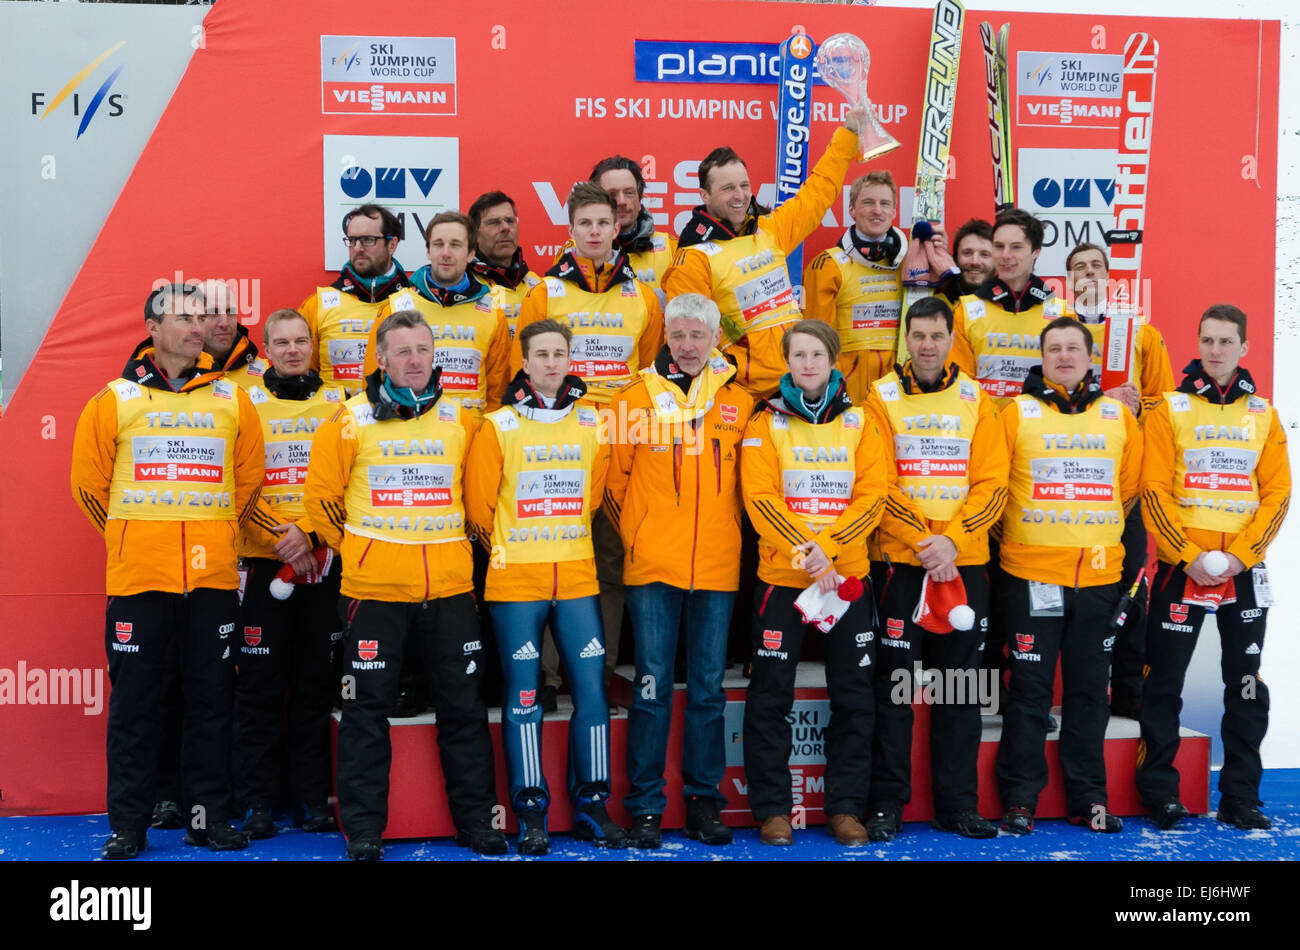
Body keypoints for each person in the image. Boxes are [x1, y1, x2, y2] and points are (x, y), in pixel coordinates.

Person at [71, 282, 280, 858]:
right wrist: (128, 540)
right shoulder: (114, 399)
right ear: (152, 328)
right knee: (136, 706)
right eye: (182, 317)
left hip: (212, 580)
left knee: (212, 702)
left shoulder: (233, 400)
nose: (196, 325)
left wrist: (219, 539)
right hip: (139, 580)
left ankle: (207, 818)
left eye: (201, 315)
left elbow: (247, 482)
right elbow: (88, 487)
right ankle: (130, 826)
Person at [304, 309, 503, 860]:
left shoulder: (465, 420)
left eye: (423, 350)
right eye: (402, 351)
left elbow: (481, 502)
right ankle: (365, 830)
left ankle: (477, 822)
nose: (414, 361)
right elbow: (321, 501)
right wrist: (366, 553)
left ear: (434, 355)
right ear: (382, 359)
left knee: (463, 708)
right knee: (367, 712)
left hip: (449, 589)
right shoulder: (349, 419)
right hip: (374, 592)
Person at [464, 319, 626, 854]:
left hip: (577, 576)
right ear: (525, 362)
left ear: (569, 358)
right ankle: (531, 811)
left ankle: (593, 807)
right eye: (542, 354)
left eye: (560, 353)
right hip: (517, 584)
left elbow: (596, 496)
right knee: (526, 696)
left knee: (592, 692)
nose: (552, 363)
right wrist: (514, 555)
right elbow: (480, 510)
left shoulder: (592, 422)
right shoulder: (498, 426)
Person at [605, 293, 755, 848]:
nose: (688, 346)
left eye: (699, 336)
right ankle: (644, 807)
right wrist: (641, 539)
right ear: (664, 337)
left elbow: (750, 486)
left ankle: (703, 802)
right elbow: (613, 486)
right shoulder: (633, 398)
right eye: (679, 335)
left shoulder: (741, 400)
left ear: (717, 339)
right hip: (653, 570)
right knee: (650, 687)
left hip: (717, 567)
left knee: (709, 690)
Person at [1137, 304, 1290, 831]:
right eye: (1208, 340)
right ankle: (1160, 792)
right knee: (1164, 684)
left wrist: (1240, 557)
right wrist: (1189, 556)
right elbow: (1153, 492)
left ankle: (1240, 796)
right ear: (1198, 344)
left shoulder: (1264, 415)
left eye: (1227, 342)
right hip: (1184, 569)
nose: (1217, 350)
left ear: (1244, 348)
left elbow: (1277, 495)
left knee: (1245, 683)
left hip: (1243, 574)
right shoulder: (1170, 410)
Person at [862, 297, 1008, 842]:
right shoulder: (881, 396)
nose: (926, 346)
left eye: (936, 335)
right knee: (895, 689)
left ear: (951, 339)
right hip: (902, 562)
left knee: (961, 689)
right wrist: (927, 541)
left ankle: (957, 805)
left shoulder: (978, 400)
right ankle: (886, 805)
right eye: (917, 335)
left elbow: (993, 484)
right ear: (906, 338)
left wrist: (955, 541)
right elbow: (876, 482)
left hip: (963, 566)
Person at [740, 319, 888, 847]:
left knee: (854, 696)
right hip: (784, 580)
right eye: (798, 355)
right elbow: (759, 498)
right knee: (769, 697)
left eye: (816, 355)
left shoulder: (861, 421)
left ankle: (846, 808)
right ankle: (774, 810)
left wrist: (832, 551)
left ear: (833, 361)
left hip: (846, 579)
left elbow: (874, 495)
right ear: (787, 362)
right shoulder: (765, 422)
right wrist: (811, 553)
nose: (807, 364)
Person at [514, 182, 665, 690]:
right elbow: (524, 371)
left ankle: (596, 669)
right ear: (570, 230)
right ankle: (550, 676)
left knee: (611, 556)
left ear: (617, 227)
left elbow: (649, 375)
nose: (596, 231)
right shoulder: (544, 292)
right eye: (586, 224)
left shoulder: (643, 296)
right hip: (559, 438)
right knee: (555, 552)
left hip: (621, 440)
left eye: (604, 222)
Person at [994, 316, 1142, 835]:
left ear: (1089, 356)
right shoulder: (1016, 412)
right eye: (1053, 348)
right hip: (1031, 576)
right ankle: (1019, 799)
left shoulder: (1117, 416)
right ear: (1041, 355)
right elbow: (996, 485)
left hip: (1098, 581)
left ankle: (1090, 799)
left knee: (1087, 692)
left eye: (1072, 348)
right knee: (1030, 692)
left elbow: (1128, 494)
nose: (1063, 356)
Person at [231, 308, 346, 839]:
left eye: (302, 341)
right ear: (267, 351)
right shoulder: (244, 402)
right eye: (282, 343)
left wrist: (312, 538)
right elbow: (238, 486)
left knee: (314, 686)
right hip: (262, 561)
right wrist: (284, 541)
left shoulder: (340, 404)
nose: (294, 350)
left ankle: (311, 797)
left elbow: (348, 486)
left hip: (322, 563)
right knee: (257, 687)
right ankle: (256, 802)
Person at [662, 104, 868, 397]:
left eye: (744, 185)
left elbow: (816, 195)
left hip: (801, 381)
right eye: (728, 188)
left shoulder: (769, 229)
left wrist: (848, 134)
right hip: (750, 392)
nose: (740, 196)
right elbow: (686, 339)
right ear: (704, 196)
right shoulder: (693, 258)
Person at [1066, 240, 1175, 718]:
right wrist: (1101, 396)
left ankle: (1129, 686)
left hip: (1123, 486)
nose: (1088, 274)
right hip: (1070, 481)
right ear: (1067, 281)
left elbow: (1166, 405)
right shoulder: (1058, 334)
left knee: (1132, 583)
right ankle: (1061, 689)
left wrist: (1132, 405)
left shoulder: (1140, 334)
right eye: (1078, 268)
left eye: (1096, 267)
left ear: (1110, 277)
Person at [359, 212, 511, 419]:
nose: (446, 253)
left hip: (472, 437)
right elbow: (374, 380)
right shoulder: (396, 306)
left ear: (470, 253)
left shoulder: (492, 311)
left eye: (456, 245)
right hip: (414, 433)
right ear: (428, 251)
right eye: (438, 244)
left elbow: (498, 393)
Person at [803, 170, 908, 406]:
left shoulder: (910, 262)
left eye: (885, 204)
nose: (877, 210)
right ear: (851, 209)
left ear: (894, 211)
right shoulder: (827, 265)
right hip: (849, 386)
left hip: (900, 383)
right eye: (868, 202)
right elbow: (816, 341)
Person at [950, 208, 1070, 408]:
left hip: (1040, 430)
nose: (1005, 255)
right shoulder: (965, 310)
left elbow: (1067, 384)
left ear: (1035, 252)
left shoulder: (1061, 314)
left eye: (1016, 247)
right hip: (986, 425)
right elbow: (959, 385)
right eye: (999, 246)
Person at [299, 203, 410, 394]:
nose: (357, 248)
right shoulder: (318, 304)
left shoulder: (415, 302)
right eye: (352, 240)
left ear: (392, 244)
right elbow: (300, 375)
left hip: (396, 420)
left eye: (367, 240)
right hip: (336, 420)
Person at [467, 190, 541, 339]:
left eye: (510, 221)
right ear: (474, 234)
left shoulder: (537, 284)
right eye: (494, 223)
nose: (505, 228)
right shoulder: (466, 286)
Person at [935, 219, 995, 304]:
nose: (975, 262)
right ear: (955, 257)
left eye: (984, 254)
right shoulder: (937, 303)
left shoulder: (1008, 305)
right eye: (967, 253)